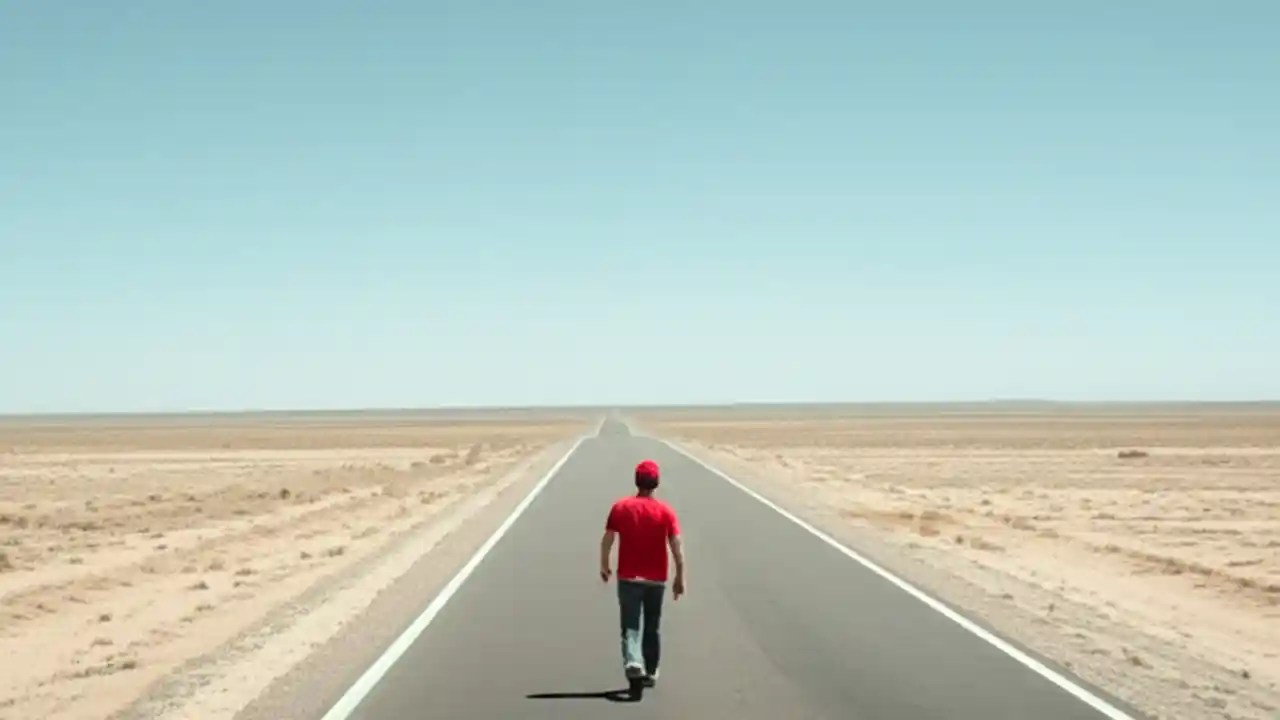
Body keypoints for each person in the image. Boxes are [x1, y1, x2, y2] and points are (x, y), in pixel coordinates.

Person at [599, 459, 685, 688]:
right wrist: (680, 576)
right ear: (656, 483)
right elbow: (676, 545)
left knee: (630, 623)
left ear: (637, 481)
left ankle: (633, 661)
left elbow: (607, 539)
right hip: (656, 580)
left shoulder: (621, 507)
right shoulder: (666, 512)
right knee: (652, 626)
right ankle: (652, 668)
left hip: (628, 578)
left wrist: (604, 564)